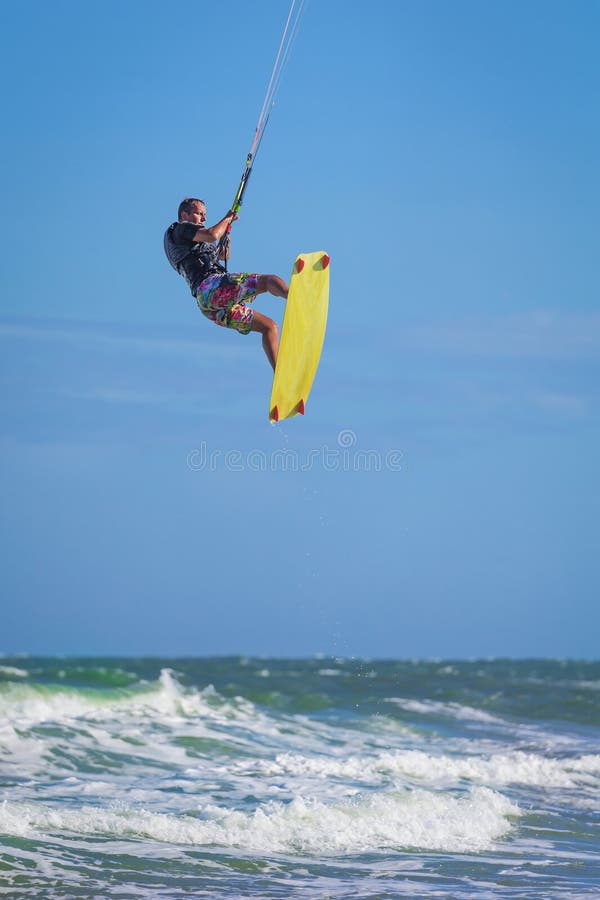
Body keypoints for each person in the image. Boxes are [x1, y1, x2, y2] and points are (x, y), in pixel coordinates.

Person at [164, 198, 288, 369]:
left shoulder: (186, 243)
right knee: (268, 281)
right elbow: (212, 235)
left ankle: (280, 376)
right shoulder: (181, 228)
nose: (204, 218)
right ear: (184, 215)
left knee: (269, 326)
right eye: (199, 213)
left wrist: (227, 233)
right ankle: (294, 296)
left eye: (205, 215)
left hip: (208, 306)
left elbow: (222, 255)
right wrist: (227, 218)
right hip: (212, 287)